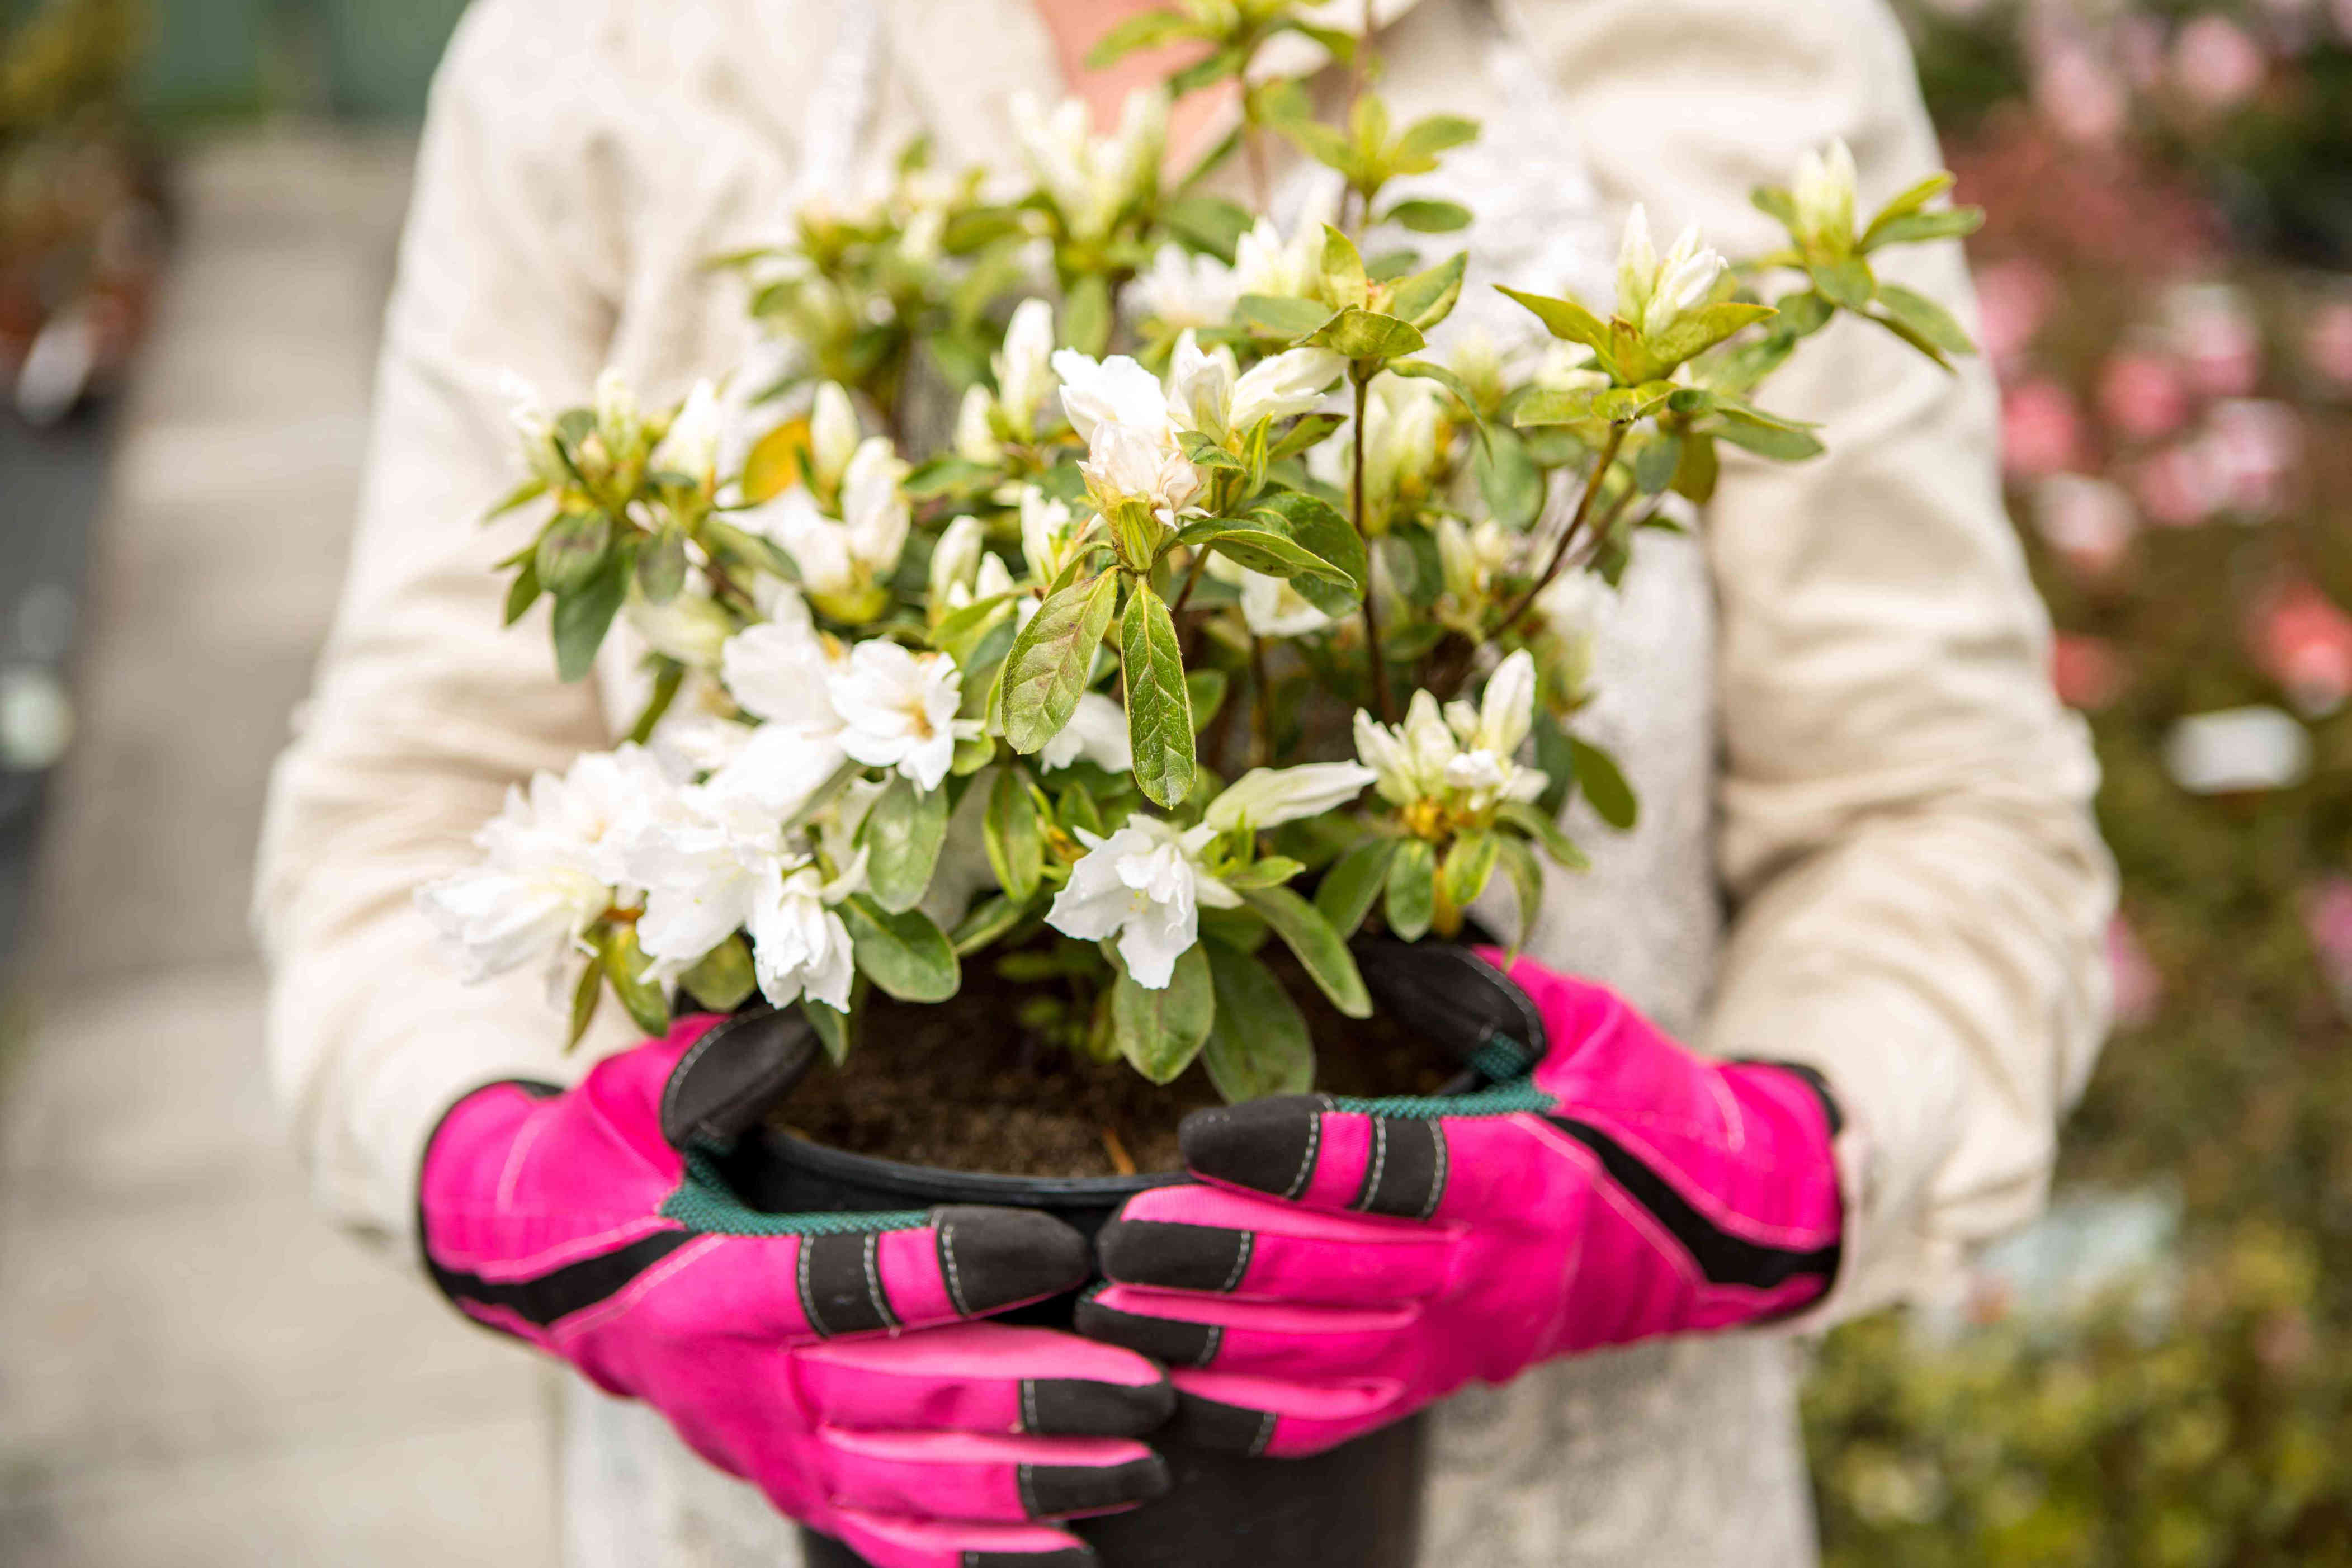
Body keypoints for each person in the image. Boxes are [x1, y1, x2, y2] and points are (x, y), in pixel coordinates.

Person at [253, 1, 2116, 1564]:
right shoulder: (607, 47)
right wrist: (502, 1182)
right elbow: (406, 818)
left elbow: (1943, 809)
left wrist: (1754, 1167)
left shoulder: (1732, 37)